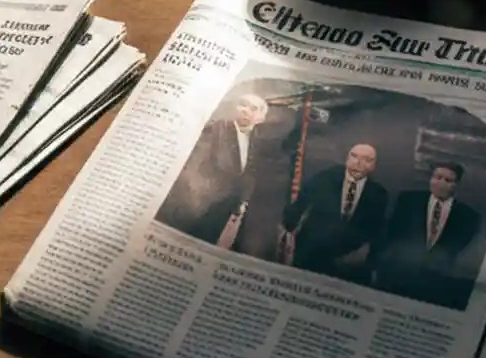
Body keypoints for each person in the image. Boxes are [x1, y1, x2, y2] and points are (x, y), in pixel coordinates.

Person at [155, 93, 269, 245]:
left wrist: (241, 201)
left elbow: (248, 174)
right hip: (197, 207)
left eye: (253, 108)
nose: (245, 110)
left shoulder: (256, 140)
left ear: (261, 117)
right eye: (243, 104)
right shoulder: (216, 129)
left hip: (223, 211)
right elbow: (195, 168)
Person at [374, 162, 481, 309]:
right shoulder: (407, 200)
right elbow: (390, 233)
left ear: (457, 185)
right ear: (430, 179)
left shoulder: (468, 215)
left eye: (448, 180)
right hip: (397, 274)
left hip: (436, 280)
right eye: (438, 177)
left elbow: (456, 247)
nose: (441, 183)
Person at [278, 143, 388, 285]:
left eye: (367, 160)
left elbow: (378, 232)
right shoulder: (325, 178)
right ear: (347, 158)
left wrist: (367, 258)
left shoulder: (379, 194)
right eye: (354, 156)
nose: (359, 163)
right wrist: (287, 232)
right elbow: (298, 206)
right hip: (311, 253)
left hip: (349, 264)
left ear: (374, 166)